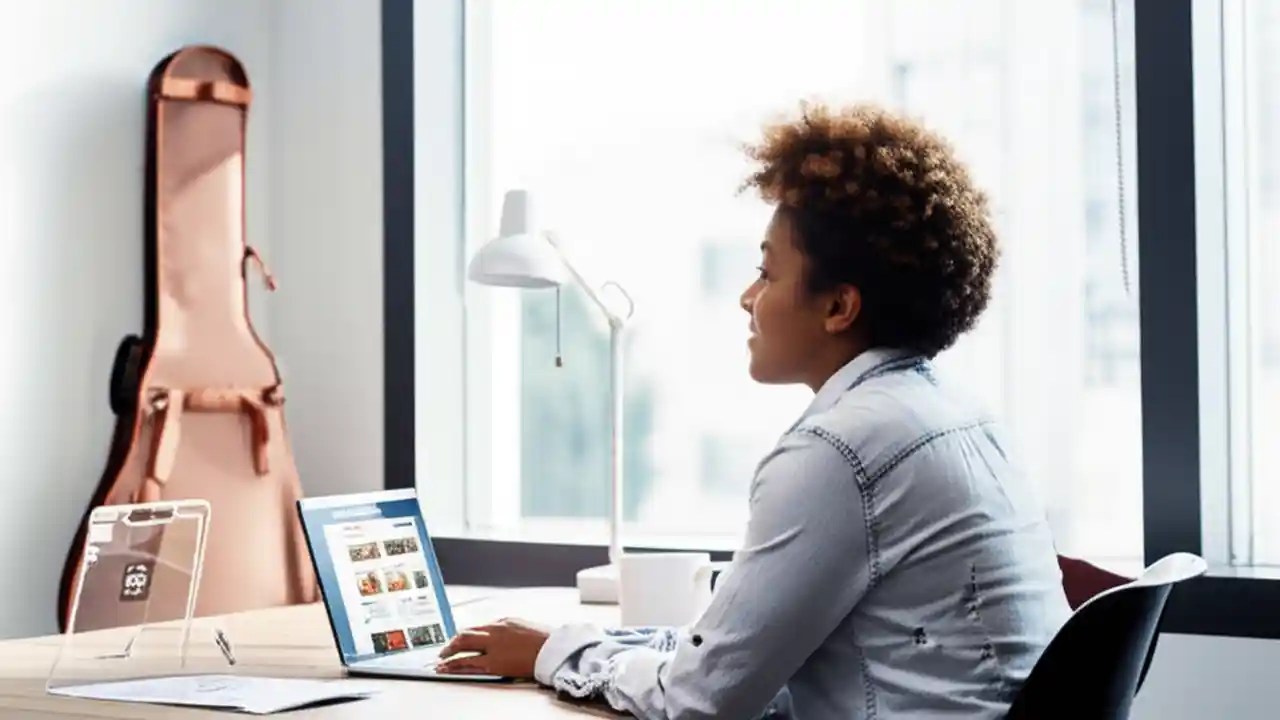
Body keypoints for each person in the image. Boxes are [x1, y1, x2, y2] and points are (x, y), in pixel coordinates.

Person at [435, 101, 1072, 719]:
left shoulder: (841, 452)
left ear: (838, 307)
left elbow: (699, 702)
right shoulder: (962, 416)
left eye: (767, 273)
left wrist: (557, 652)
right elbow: (741, 662)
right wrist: (598, 648)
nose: (747, 298)